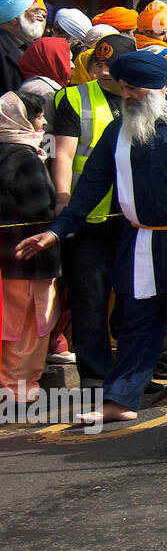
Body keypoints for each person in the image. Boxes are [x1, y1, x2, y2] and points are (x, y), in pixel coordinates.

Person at [16, 49, 167, 424]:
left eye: (132, 89)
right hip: (142, 244)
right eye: (123, 88)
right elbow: (92, 186)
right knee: (138, 319)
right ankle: (121, 398)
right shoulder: (118, 130)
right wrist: (56, 231)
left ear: (156, 86)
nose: (126, 96)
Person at [48, 34, 134, 401]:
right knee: (90, 297)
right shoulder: (73, 97)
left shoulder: (146, 97)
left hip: (135, 218)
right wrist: (63, 201)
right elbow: (64, 155)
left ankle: (132, 370)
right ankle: (95, 376)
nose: (103, 72)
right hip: (88, 219)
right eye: (99, 64)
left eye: (112, 66)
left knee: (135, 298)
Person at [1, 91, 60, 403]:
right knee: (27, 324)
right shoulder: (25, 158)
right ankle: (18, 389)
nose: (44, 122)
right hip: (29, 256)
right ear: (23, 120)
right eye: (38, 116)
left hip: (6, 258)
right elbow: (38, 210)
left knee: (9, 322)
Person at [1, 0, 45, 95]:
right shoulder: (2, 49)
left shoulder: (30, 47)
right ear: (15, 18)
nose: (40, 17)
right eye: (35, 12)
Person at [17, 36, 72, 123]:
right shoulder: (39, 90)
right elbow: (43, 129)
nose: (72, 66)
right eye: (67, 60)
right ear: (51, 61)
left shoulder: (45, 86)